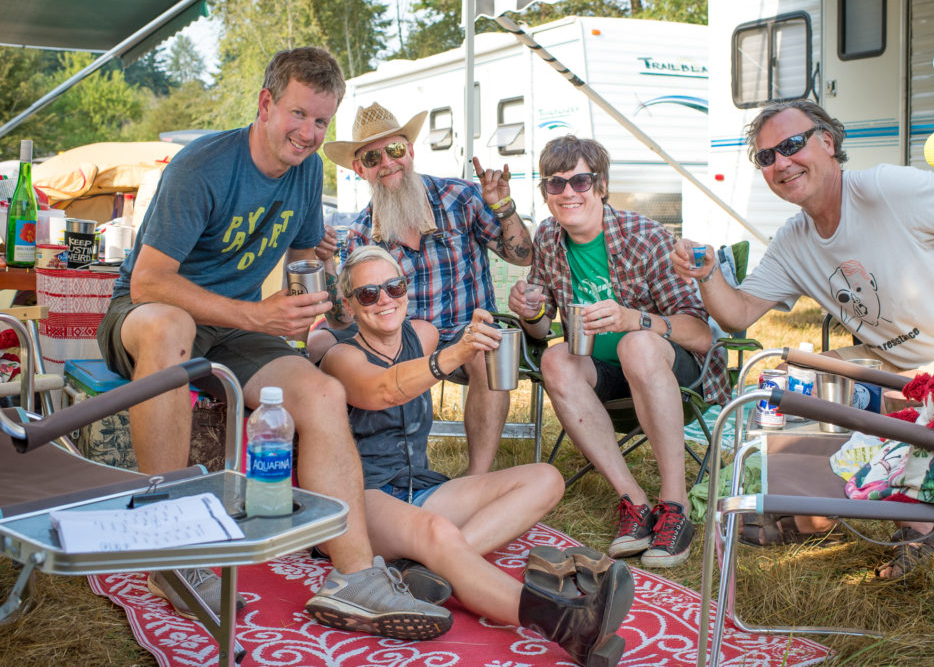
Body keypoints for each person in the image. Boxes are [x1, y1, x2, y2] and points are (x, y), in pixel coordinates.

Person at [96, 47, 448, 638]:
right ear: (265, 105)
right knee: (170, 326)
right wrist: (257, 315)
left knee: (322, 391)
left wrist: (313, 279)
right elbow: (148, 280)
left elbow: (305, 253)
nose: (309, 134)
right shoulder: (201, 167)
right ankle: (171, 552)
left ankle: (355, 576)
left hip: (236, 325)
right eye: (298, 115)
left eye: (321, 122)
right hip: (147, 313)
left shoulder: (307, 171)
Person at [670, 98, 934, 576]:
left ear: (828, 143)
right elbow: (737, 315)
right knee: (783, 382)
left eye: (792, 144)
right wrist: (709, 274)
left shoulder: (882, 189)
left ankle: (922, 526)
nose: (781, 162)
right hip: (902, 375)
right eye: (766, 156)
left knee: (924, 416)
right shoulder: (793, 240)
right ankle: (826, 507)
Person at [313, 245, 635, 666]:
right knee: (436, 532)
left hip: (420, 487)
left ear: (407, 290)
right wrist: (454, 354)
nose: (386, 299)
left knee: (545, 477)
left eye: (393, 287)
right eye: (369, 294)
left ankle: (427, 572)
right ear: (351, 306)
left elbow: (444, 346)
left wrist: (477, 331)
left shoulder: (422, 333)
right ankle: (564, 623)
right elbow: (381, 390)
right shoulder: (340, 356)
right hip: (362, 495)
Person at [507, 135, 730, 568]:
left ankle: (674, 506)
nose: (568, 193)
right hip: (607, 383)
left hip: (676, 380)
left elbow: (702, 335)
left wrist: (635, 319)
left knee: (638, 344)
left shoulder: (646, 237)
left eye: (580, 181)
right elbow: (539, 330)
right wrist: (528, 311)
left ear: (602, 185)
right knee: (555, 356)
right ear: (546, 194)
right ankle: (634, 501)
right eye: (555, 184)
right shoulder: (550, 237)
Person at [320, 102, 534, 475]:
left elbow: (522, 255)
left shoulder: (460, 198)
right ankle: (392, 473)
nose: (386, 162)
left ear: (411, 151)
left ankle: (476, 480)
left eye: (395, 150)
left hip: (472, 331)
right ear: (359, 169)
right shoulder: (359, 233)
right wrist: (325, 264)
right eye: (372, 156)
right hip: (408, 343)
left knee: (488, 350)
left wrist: (502, 207)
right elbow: (341, 319)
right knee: (392, 343)